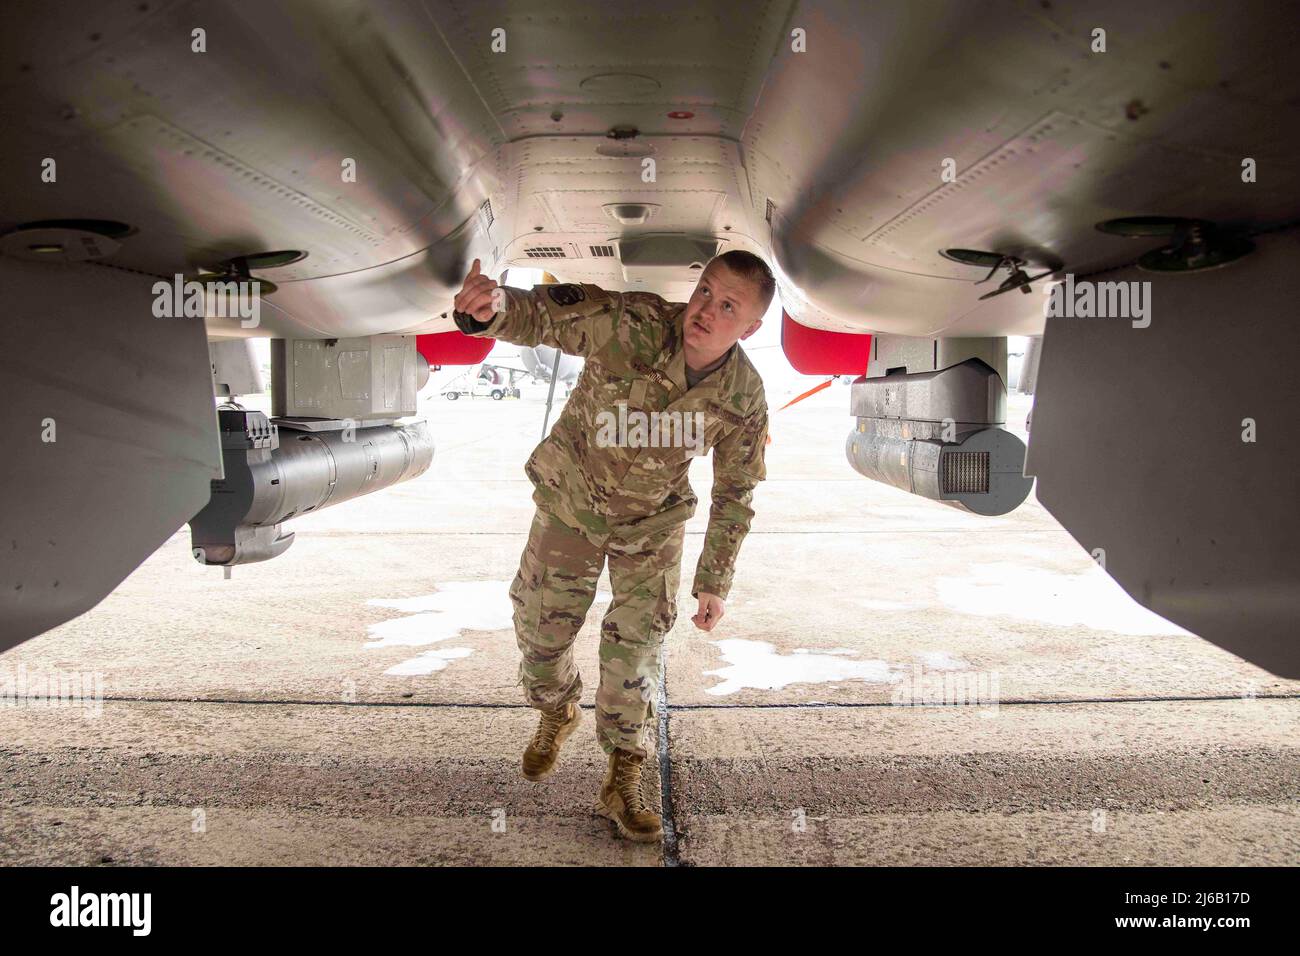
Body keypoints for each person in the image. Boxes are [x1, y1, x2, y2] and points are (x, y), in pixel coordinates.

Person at [452, 250, 772, 842]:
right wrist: (490, 312)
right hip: (571, 503)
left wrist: (713, 582)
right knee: (540, 633)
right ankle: (557, 707)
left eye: (728, 307)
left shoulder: (743, 395)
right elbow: (549, 318)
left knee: (637, 651)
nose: (706, 310)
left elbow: (737, 490)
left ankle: (624, 771)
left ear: (750, 327)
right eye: (705, 291)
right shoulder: (635, 323)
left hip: (650, 527)